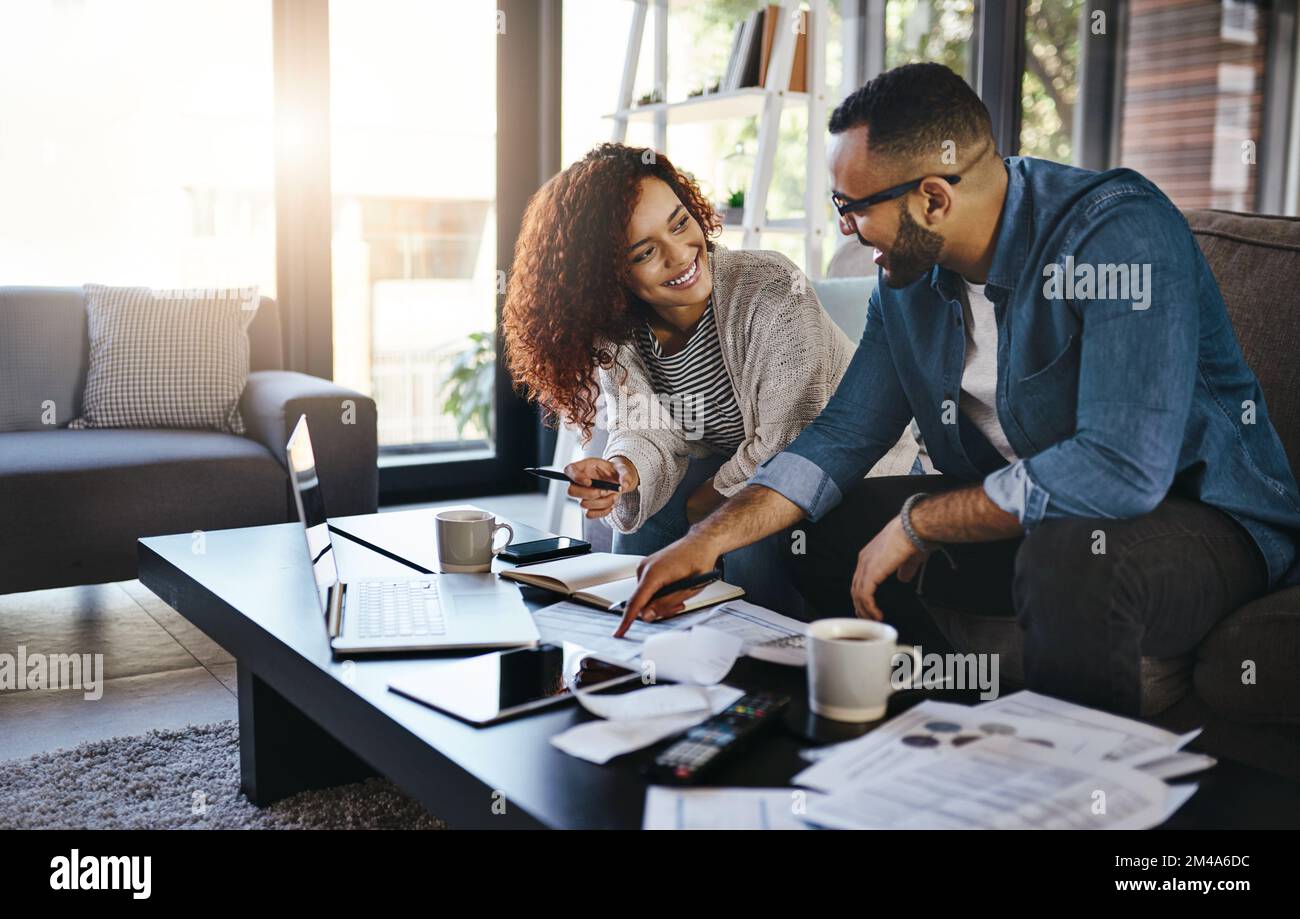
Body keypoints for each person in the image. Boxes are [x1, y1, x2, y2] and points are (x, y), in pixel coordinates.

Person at [617, 63, 1300, 716]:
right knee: (824, 520)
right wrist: (705, 536)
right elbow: (840, 437)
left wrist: (922, 522)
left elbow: (1119, 469)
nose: (845, 228)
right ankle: (927, 717)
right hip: (1031, 520)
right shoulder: (907, 283)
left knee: (1068, 551)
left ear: (934, 198)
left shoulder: (1116, 234)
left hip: (1202, 521)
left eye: (851, 207)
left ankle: (1077, 789)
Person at [502, 143, 854, 611]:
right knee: (649, 512)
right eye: (645, 252)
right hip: (744, 463)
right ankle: (638, 628)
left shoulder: (769, 287)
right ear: (608, 278)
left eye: (680, 223)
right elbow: (645, 427)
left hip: (837, 471)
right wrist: (622, 472)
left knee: (740, 518)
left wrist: (704, 510)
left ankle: (761, 652)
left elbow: (792, 441)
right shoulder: (622, 332)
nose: (681, 256)